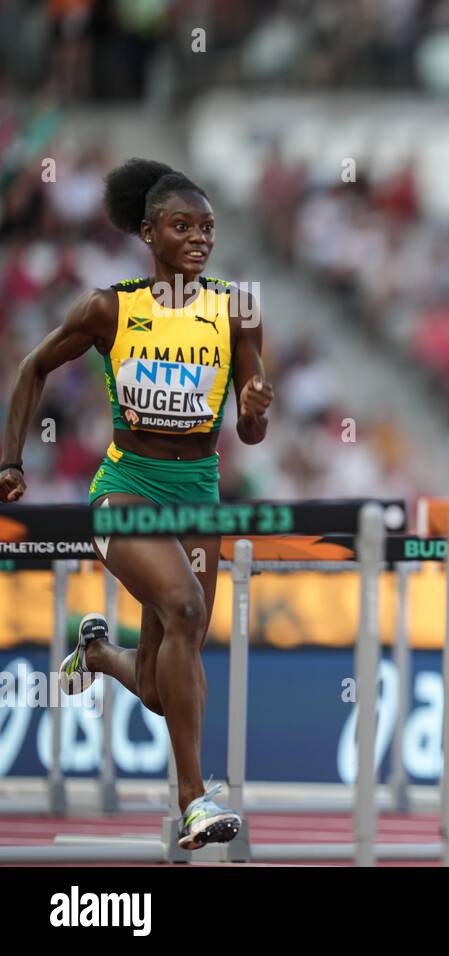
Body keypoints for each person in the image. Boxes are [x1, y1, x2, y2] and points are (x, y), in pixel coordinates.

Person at [0, 158, 274, 850]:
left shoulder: (237, 308)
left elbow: (250, 427)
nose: (200, 239)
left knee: (158, 686)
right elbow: (33, 368)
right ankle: (194, 802)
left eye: (208, 228)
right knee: (182, 608)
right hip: (127, 487)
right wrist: (10, 460)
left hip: (200, 494)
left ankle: (96, 654)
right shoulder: (110, 308)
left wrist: (256, 406)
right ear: (149, 234)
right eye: (183, 226)